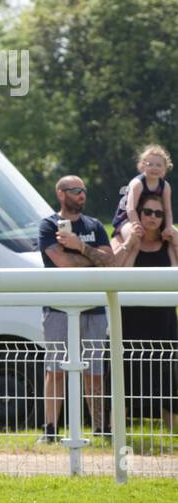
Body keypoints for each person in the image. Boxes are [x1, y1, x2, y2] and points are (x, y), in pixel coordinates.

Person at [37, 176, 115, 443]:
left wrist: (79, 246)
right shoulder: (48, 225)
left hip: (93, 309)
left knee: (94, 371)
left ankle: (101, 430)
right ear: (61, 193)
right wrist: (89, 258)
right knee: (55, 369)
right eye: (75, 190)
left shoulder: (94, 225)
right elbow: (62, 263)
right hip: (58, 307)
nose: (81, 195)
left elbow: (109, 261)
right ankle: (49, 431)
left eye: (84, 190)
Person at [112, 188, 178, 436]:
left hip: (162, 318)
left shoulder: (168, 242)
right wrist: (133, 244)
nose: (152, 217)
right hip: (129, 317)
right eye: (147, 212)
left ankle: (173, 433)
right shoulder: (122, 237)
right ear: (138, 214)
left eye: (158, 213)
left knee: (168, 376)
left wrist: (176, 240)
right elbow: (116, 271)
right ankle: (117, 433)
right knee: (124, 374)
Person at [111, 145, 175, 246]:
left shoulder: (165, 186)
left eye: (159, 165)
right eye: (150, 164)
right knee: (135, 238)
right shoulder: (137, 183)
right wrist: (137, 225)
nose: (154, 168)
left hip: (150, 217)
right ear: (142, 166)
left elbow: (167, 210)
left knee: (174, 237)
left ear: (165, 168)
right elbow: (130, 208)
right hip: (127, 218)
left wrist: (168, 226)